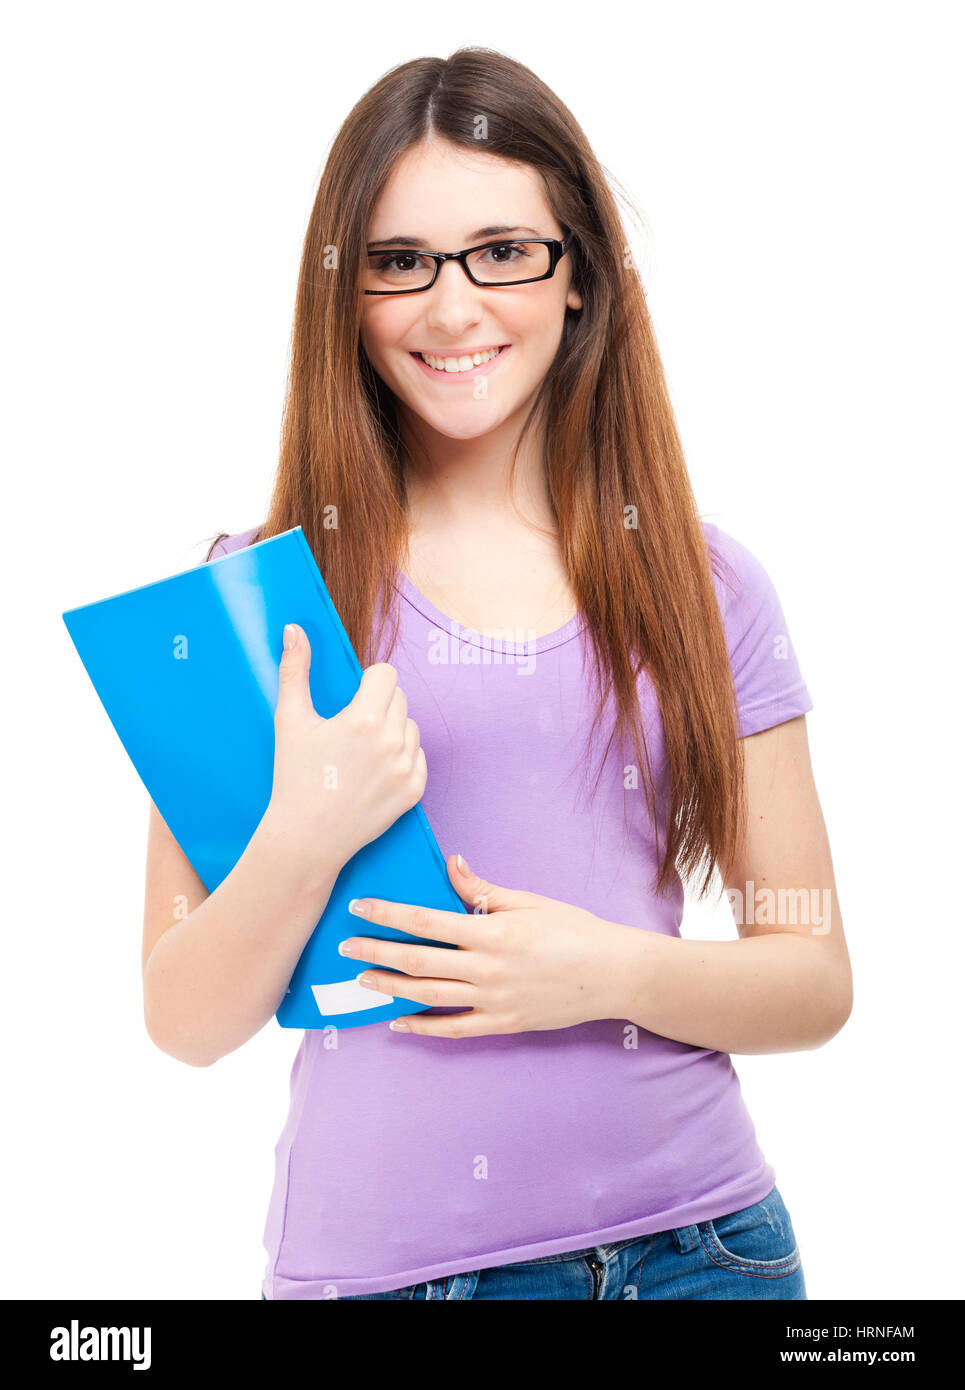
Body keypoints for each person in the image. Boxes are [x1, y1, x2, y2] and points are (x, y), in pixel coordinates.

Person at [142, 47, 852, 1301]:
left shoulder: (704, 582)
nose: (452, 306)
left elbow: (809, 974)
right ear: (344, 294)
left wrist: (599, 974)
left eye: (502, 251)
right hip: (391, 1278)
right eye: (398, 262)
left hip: (706, 1253)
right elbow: (184, 1018)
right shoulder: (262, 597)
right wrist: (305, 831)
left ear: (576, 276)